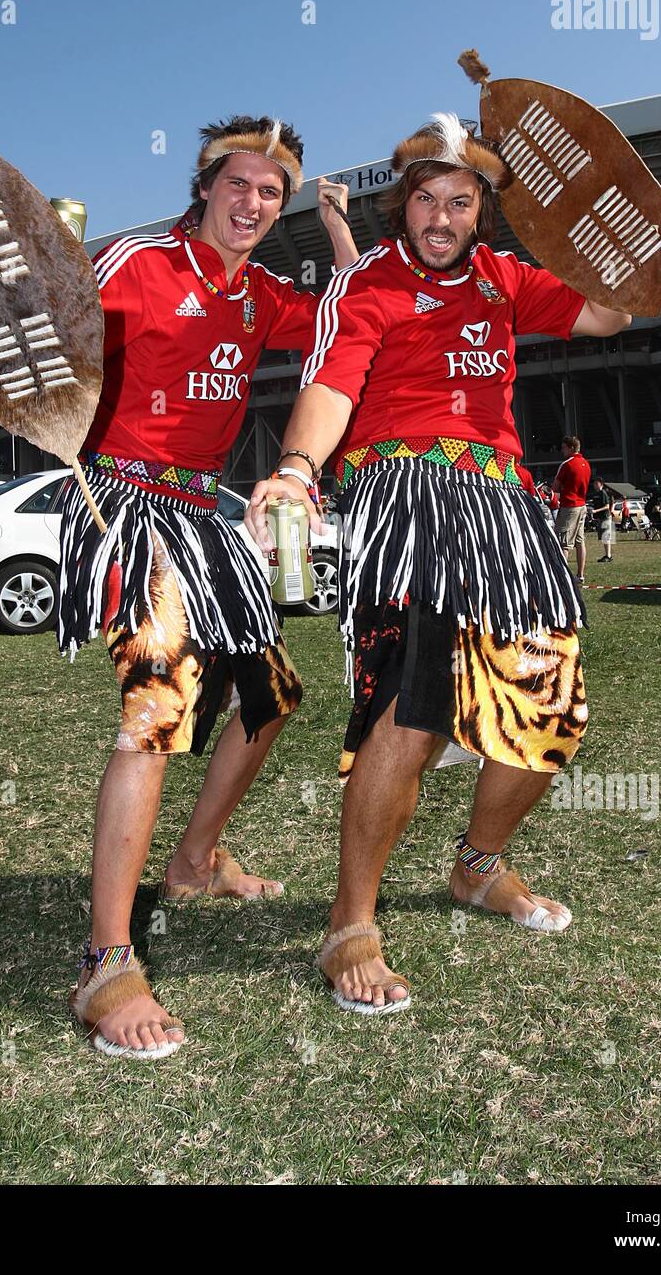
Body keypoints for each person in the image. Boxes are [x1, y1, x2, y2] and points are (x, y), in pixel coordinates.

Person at [247, 113, 630, 1014]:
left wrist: (590, 224)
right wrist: (298, 471)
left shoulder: (506, 278)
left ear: (481, 212)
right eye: (427, 197)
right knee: (407, 714)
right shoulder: (367, 281)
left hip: (501, 501)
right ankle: (351, 924)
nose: (442, 215)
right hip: (403, 496)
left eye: (461, 201)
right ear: (402, 203)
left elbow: (611, 313)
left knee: (549, 705)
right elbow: (331, 385)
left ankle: (478, 866)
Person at [59, 116, 359, 1059]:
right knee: (155, 712)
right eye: (240, 184)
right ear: (205, 184)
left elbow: (354, 319)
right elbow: (46, 342)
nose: (255, 203)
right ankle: (107, 961)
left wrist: (340, 224)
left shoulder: (263, 293)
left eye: (273, 193)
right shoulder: (137, 261)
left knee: (273, 697)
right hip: (125, 502)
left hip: (205, 511)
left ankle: (192, 862)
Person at [553, 437, 592, 583]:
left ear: (571, 448)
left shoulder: (567, 464)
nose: (562, 450)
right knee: (579, 541)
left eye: (563, 448)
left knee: (563, 542)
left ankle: (561, 577)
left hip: (569, 506)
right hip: (582, 505)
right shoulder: (586, 464)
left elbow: (555, 487)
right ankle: (580, 575)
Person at [589, 476, 614, 561]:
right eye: (594, 483)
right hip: (600, 518)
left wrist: (596, 511)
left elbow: (607, 506)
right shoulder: (596, 494)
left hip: (605, 517)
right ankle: (607, 555)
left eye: (596, 483)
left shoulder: (603, 493)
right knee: (603, 537)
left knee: (606, 537)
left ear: (601, 484)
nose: (595, 485)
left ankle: (608, 556)